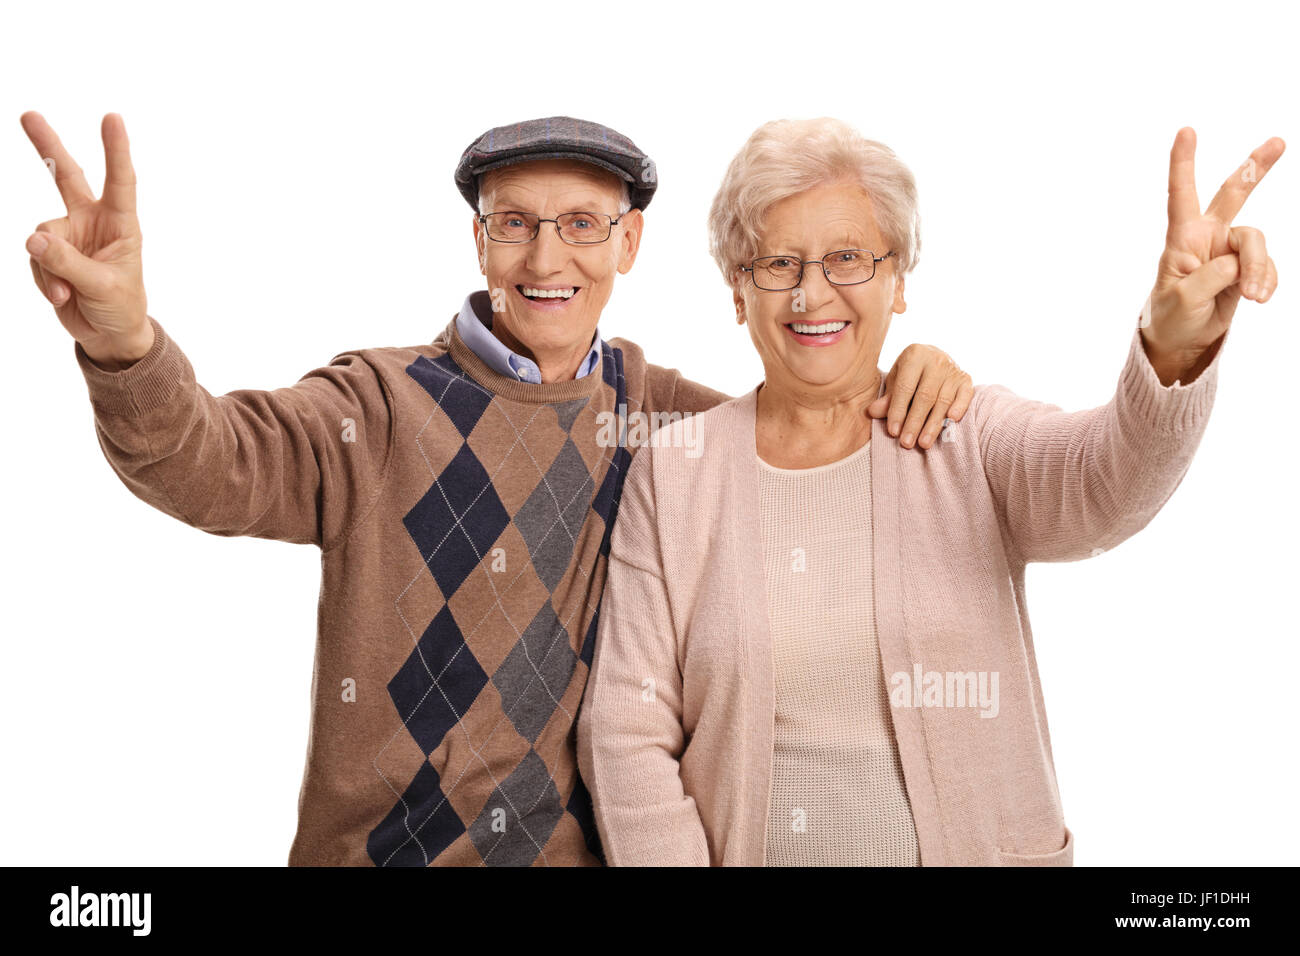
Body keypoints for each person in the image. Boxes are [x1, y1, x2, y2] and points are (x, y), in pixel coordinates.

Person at [21, 111, 974, 865]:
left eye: (582, 226)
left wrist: (911, 372)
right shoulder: (379, 407)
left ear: (629, 243)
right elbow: (203, 460)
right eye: (515, 224)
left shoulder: (665, 421)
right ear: (480, 243)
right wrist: (122, 343)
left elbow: (810, 437)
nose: (547, 260)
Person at [577, 117, 1282, 866]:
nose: (813, 294)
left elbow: (1107, 480)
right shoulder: (678, 469)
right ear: (738, 290)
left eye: (848, 257)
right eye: (778, 262)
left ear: (898, 280)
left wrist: (1171, 346)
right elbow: (629, 729)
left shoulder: (963, 431)